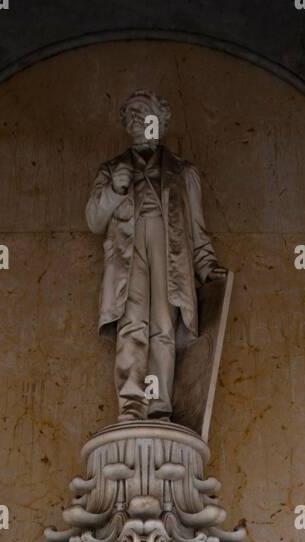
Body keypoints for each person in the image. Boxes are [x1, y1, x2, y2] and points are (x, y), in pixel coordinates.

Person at [86, 89, 227, 422]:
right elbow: (94, 219)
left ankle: (159, 404)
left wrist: (207, 267)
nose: (138, 120)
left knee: (163, 325)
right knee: (132, 323)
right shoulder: (111, 170)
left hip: (169, 249)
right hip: (127, 252)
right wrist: (114, 191)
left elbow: (196, 229)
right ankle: (132, 406)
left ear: (160, 122)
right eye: (132, 115)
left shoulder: (183, 172)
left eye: (144, 113)